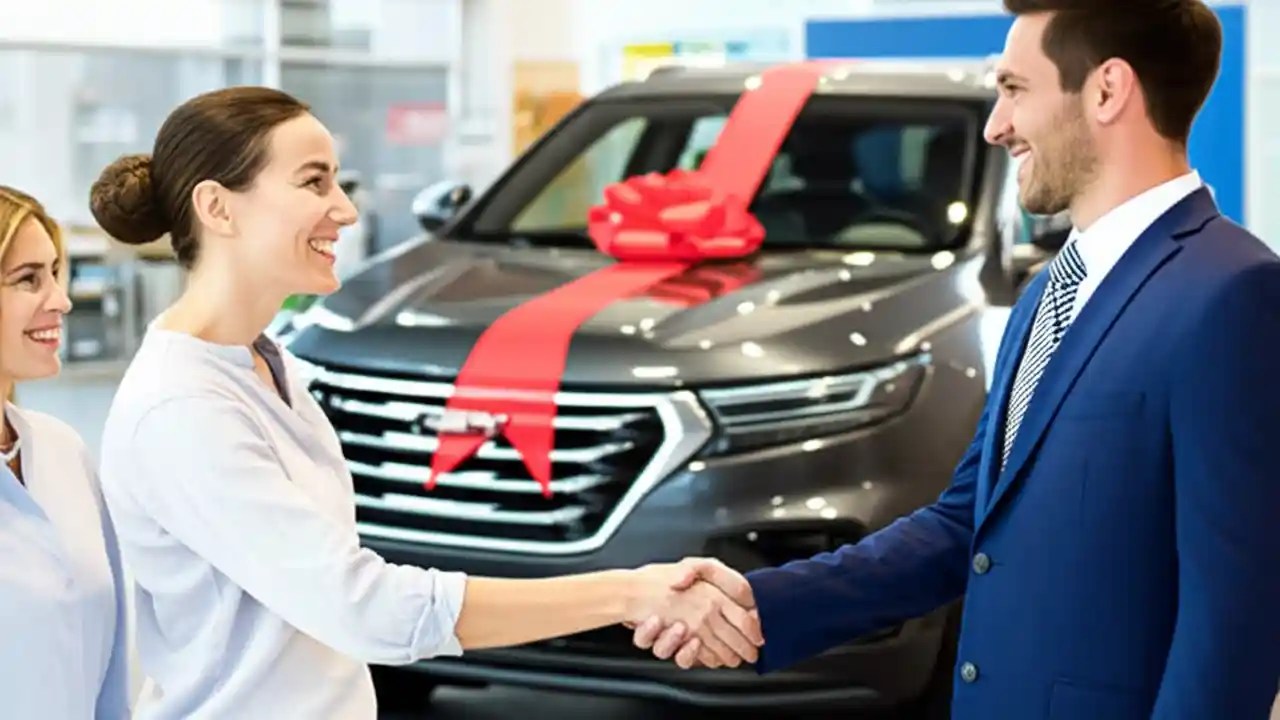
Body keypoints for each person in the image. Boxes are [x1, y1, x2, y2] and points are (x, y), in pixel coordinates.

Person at [633, 1, 1280, 718]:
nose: (996, 126)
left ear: (1106, 90)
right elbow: (966, 523)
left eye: (1014, 89)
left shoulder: (1233, 293)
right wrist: (758, 604)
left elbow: (1235, 621)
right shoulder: (1048, 292)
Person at [87, 86, 761, 720]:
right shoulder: (182, 408)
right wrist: (627, 593)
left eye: (337, 182)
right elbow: (364, 608)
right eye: (313, 182)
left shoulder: (265, 364)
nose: (345, 210)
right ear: (217, 207)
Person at [0, 185, 131, 718]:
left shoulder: (62, 451)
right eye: (28, 279)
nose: (61, 299)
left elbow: (110, 672)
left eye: (55, 273)